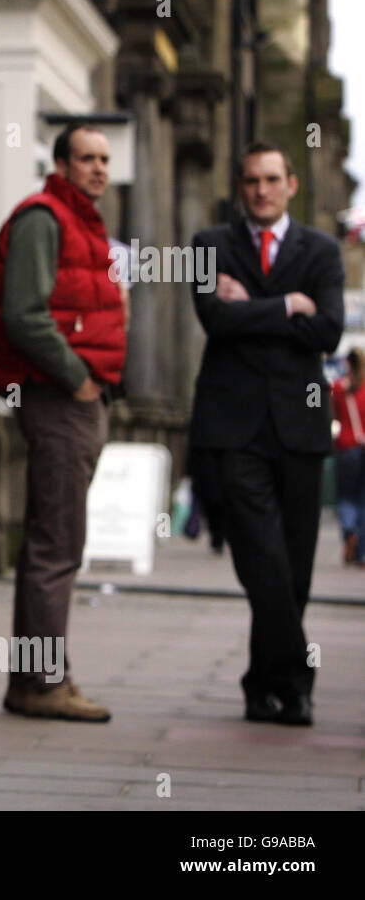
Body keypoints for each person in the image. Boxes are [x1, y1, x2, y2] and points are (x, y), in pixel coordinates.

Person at [188, 140, 345, 726]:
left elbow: (327, 331)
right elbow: (214, 318)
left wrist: (252, 305)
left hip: (300, 428)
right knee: (263, 557)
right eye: (251, 179)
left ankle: (263, 684)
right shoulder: (209, 246)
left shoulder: (322, 250)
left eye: (272, 179)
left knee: (295, 566)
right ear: (240, 185)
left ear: (291, 185)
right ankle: (297, 681)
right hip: (232, 429)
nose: (261, 189)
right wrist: (285, 307)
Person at [0, 123, 127, 722]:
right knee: (56, 543)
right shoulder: (44, 217)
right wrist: (78, 379)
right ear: (62, 164)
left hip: (71, 399)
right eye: (86, 158)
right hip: (58, 399)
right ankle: (42, 682)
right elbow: (25, 315)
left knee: (55, 538)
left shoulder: (79, 221)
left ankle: (33, 679)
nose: (98, 168)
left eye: (104, 159)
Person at [330, 348, 365, 566]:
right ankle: (362, 550)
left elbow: (321, 406)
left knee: (345, 497)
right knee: (363, 499)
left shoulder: (337, 387)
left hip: (345, 447)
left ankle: (350, 531)